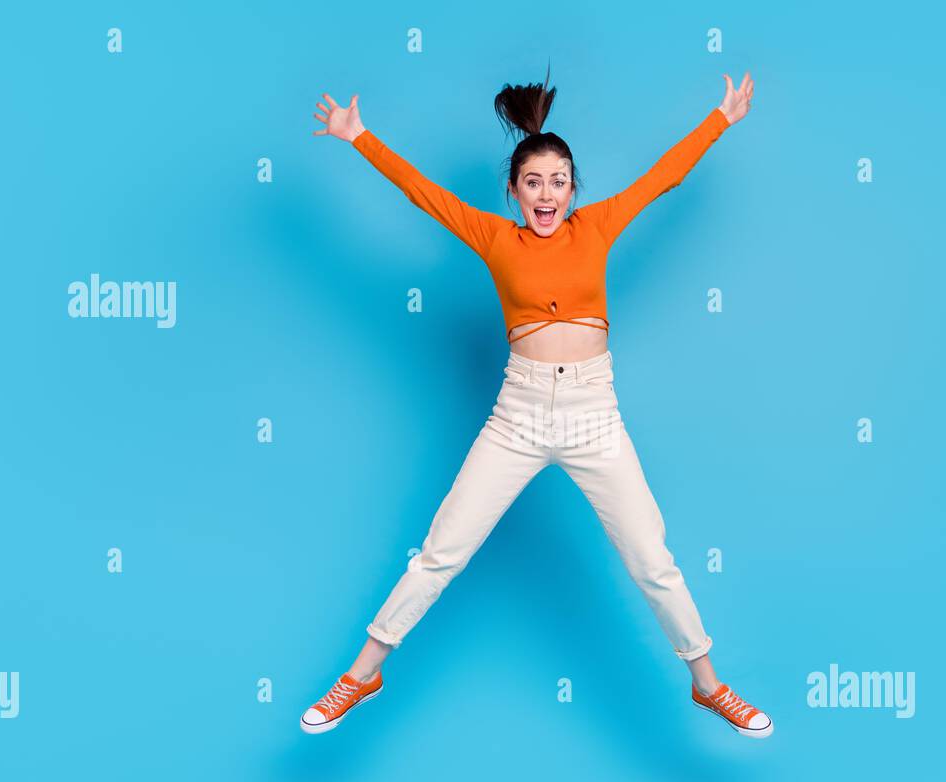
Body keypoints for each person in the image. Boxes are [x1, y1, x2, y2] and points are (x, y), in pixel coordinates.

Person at [302, 65, 771, 739]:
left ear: (574, 189)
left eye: (558, 181)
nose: (546, 194)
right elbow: (425, 196)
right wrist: (358, 136)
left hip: (593, 416)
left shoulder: (598, 227)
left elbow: (665, 176)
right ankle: (363, 673)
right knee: (440, 552)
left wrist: (721, 119)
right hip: (517, 416)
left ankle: (709, 685)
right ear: (514, 192)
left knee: (652, 560)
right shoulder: (496, 239)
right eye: (533, 182)